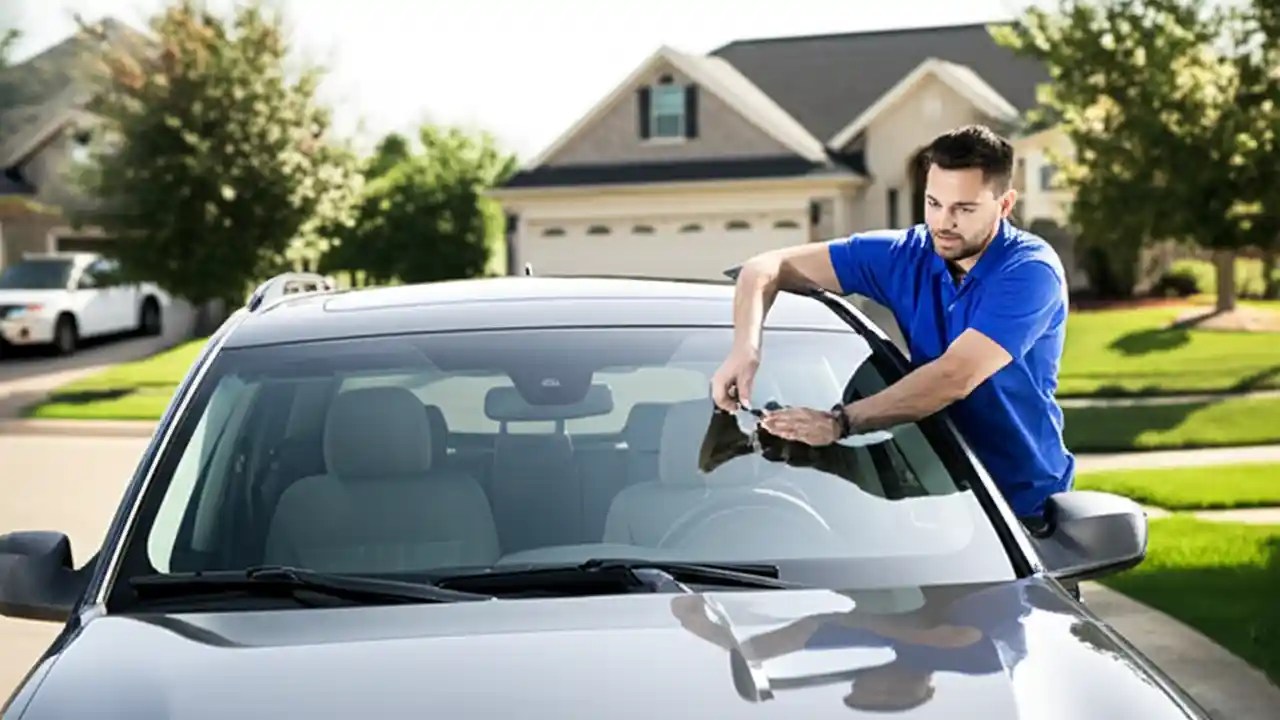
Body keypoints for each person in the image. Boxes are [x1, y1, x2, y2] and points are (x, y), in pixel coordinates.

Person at [710, 123, 1073, 529]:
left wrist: (839, 422)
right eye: (933, 203)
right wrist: (746, 349)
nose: (943, 222)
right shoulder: (907, 255)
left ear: (1004, 205)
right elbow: (765, 267)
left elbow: (955, 376)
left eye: (964, 209)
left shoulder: (1029, 272)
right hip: (936, 498)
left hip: (1021, 507)